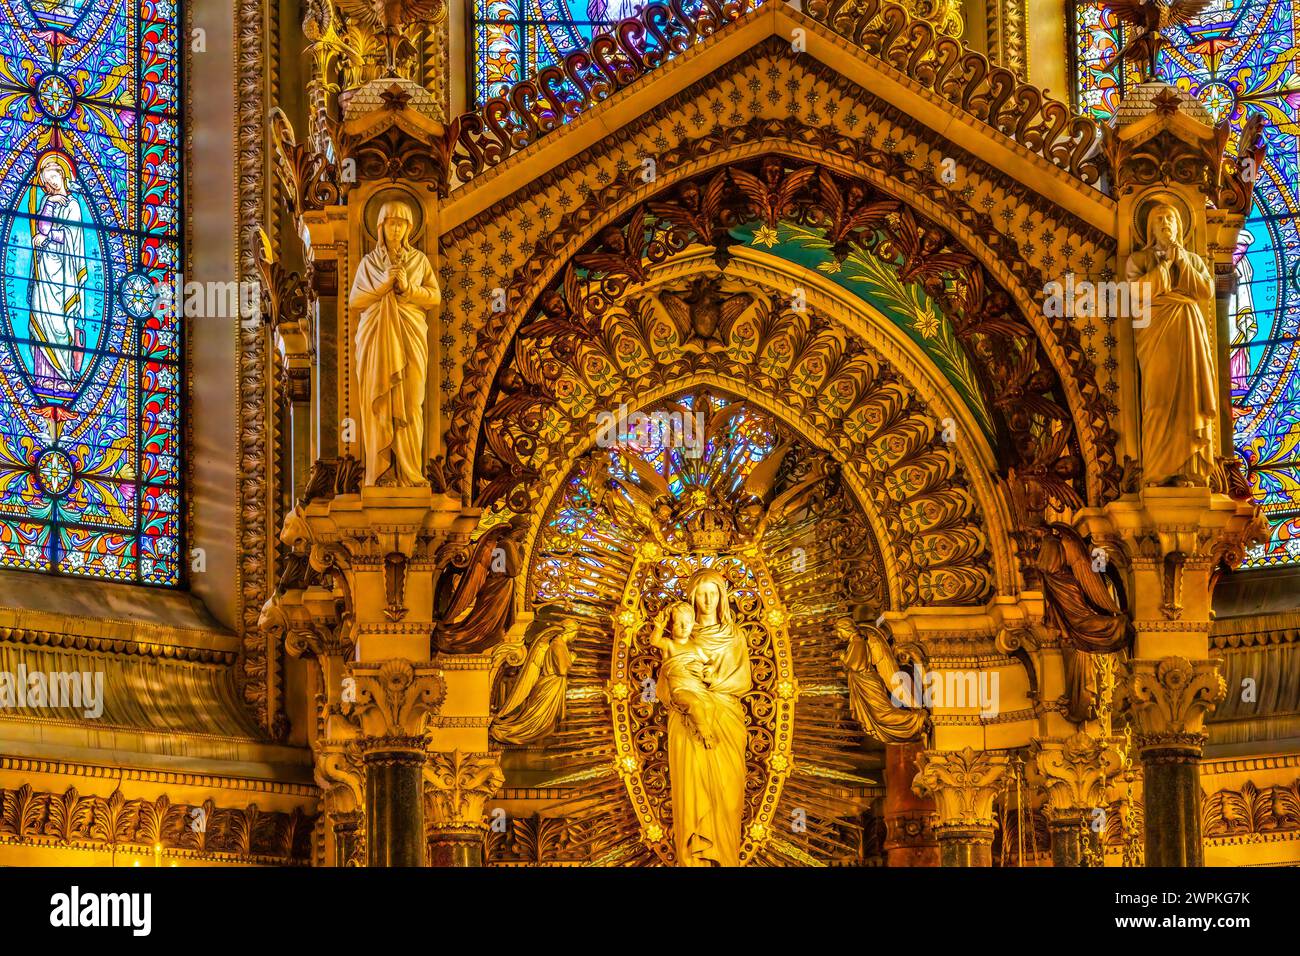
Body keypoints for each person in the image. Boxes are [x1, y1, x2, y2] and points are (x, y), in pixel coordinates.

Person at [349, 200, 440, 486]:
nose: (397, 229)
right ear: (381, 226)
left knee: (412, 404)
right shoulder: (369, 263)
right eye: (391, 223)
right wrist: (383, 287)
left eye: (402, 224)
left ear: (409, 228)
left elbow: (434, 297)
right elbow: (355, 301)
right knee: (380, 404)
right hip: (376, 338)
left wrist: (407, 288)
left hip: (410, 334)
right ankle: (380, 472)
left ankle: (411, 472)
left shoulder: (418, 261)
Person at [28, 153, 87, 396]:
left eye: (51, 178)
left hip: (65, 275)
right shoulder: (48, 202)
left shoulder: (73, 205)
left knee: (61, 324)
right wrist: (50, 204)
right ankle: (43, 378)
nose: (48, 184)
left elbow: (70, 237)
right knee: (40, 316)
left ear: (61, 176)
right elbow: (42, 226)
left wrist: (48, 237)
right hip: (45, 270)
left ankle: (63, 376)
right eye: (45, 181)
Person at [649, 601, 715, 748]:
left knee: (710, 705)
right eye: (679, 623)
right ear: (671, 626)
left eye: (687, 622)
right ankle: (705, 732)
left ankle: (698, 728)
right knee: (695, 704)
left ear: (693, 624)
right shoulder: (669, 644)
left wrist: (709, 671)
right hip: (680, 688)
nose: (684, 627)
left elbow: (710, 662)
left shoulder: (696, 647)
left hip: (697, 686)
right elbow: (654, 641)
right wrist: (658, 628)